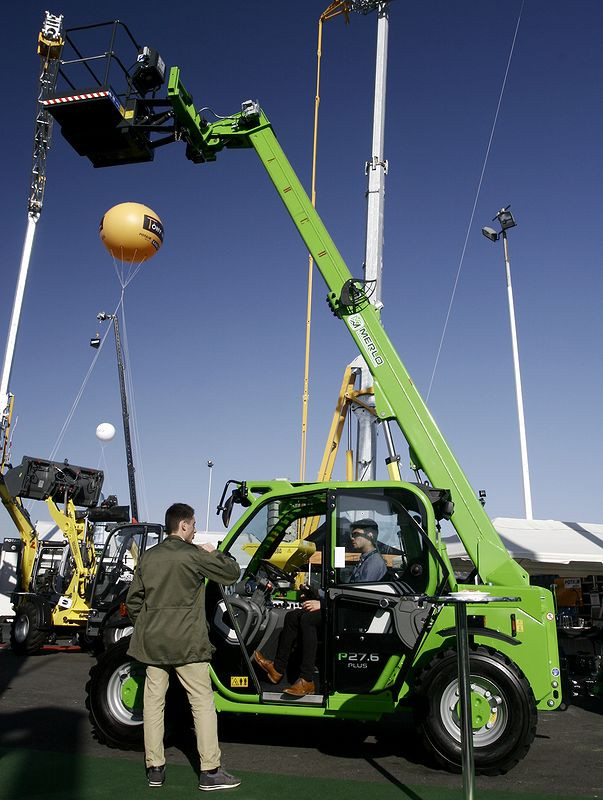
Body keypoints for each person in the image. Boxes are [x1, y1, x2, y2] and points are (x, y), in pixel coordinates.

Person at [126, 503, 241, 791]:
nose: (195, 530)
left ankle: (155, 768)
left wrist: (148, 625)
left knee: (153, 705)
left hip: (154, 643)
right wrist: (212, 552)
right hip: (188, 643)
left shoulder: (148, 558)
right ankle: (210, 771)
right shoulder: (193, 555)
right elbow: (231, 573)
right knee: (201, 704)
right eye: (193, 525)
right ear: (184, 526)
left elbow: (133, 602)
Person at [253, 518, 387, 697]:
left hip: (354, 614)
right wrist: (315, 593)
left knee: (308, 619)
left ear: (370, 535)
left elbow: (357, 597)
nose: (351, 538)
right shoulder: (365, 560)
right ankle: (277, 669)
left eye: (355, 534)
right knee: (293, 616)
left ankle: (307, 680)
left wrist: (323, 604)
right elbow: (347, 591)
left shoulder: (374, 563)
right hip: (346, 607)